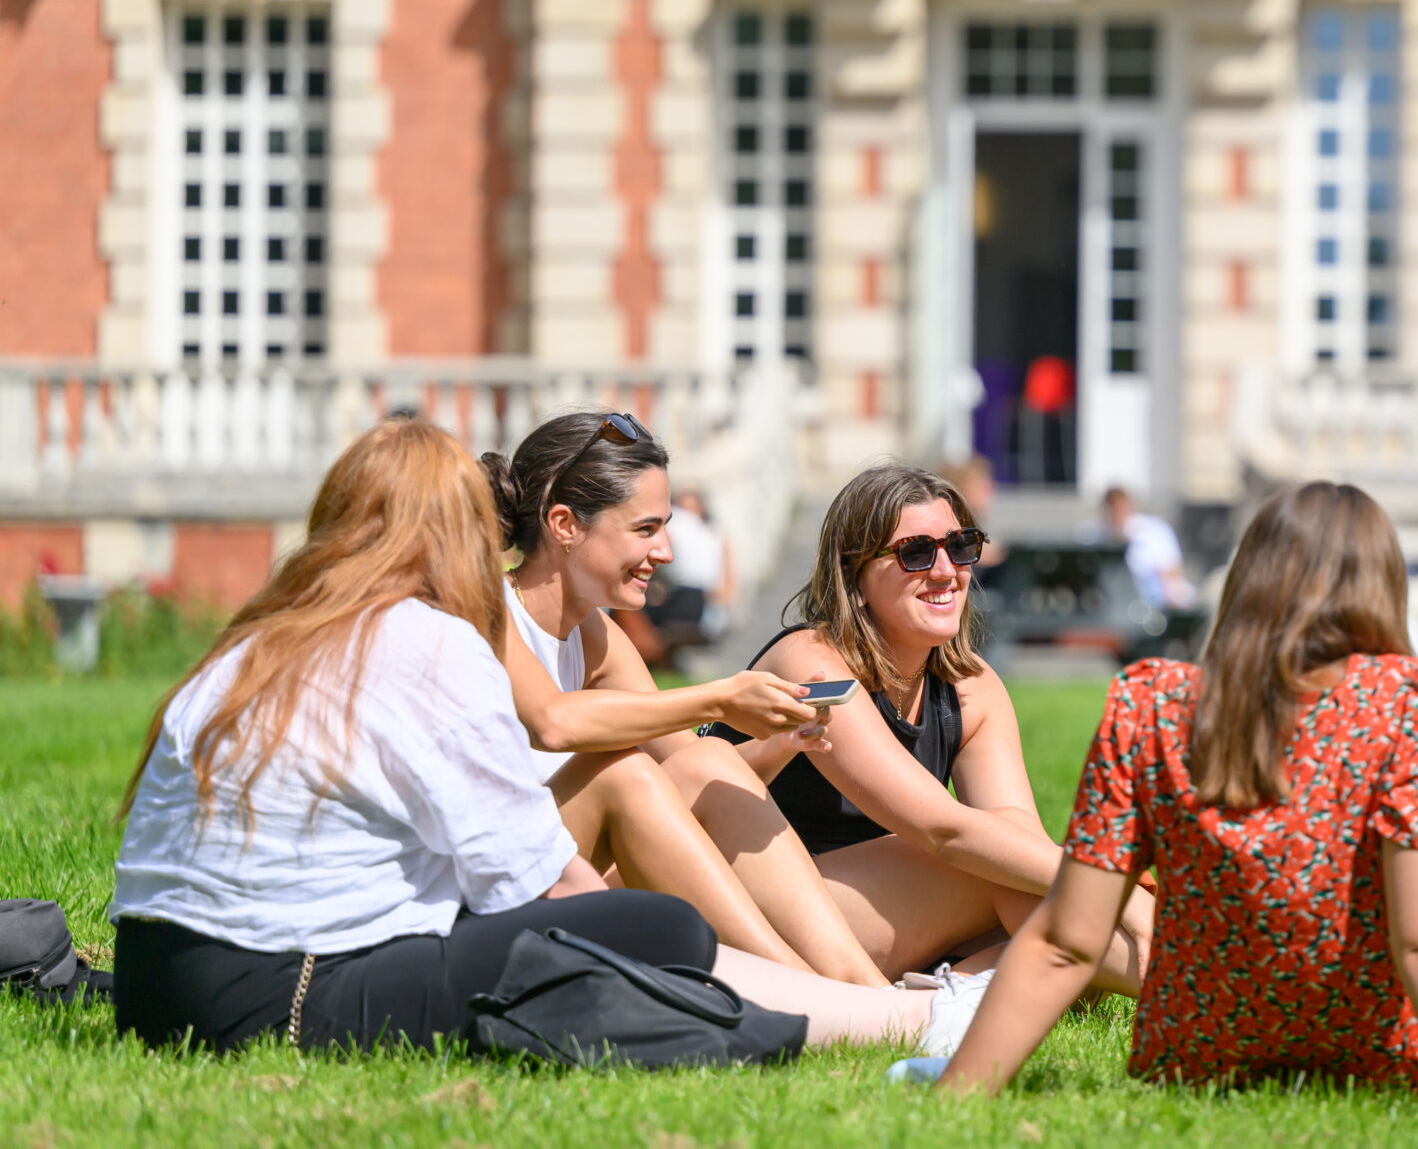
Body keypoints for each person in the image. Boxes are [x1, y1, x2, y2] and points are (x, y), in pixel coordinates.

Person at [109, 419, 957, 1055]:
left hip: (154, 988)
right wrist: (627, 934)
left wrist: (757, 734)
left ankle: (861, 1002)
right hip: (278, 995)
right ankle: (880, 1016)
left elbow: (676, 764)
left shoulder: (261, 636)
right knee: (654, 932)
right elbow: (532, 881)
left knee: (641, 900)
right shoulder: (430, 636)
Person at [932, 481, 1418, 1119]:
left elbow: (1066, 940)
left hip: (1200, 1054)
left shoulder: (1151, 704)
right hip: (1374, 1055)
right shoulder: (1412, 701)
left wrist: (955, 1096)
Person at [711, 463, 1156, 991]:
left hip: (875, 913)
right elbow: (944, 830)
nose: (946, 571)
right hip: (751, 911)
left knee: (1020, 878)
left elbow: (1016, 830)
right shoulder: (812, 663)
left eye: (961, 546)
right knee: (987, 871)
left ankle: (1210, 975)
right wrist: (1113, 888)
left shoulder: (971, 685)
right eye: (915, 553)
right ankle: (1210, 979)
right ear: (854, 571)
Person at [484, 413, 890, 986]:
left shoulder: (596, 635)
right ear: (564, 525)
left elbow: (694, 773)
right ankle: (809, 992)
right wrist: (719, 700)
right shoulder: (486, 607)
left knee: (704, 759)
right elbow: (553, 723)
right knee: (620, 771)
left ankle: (859, 985)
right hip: (486, 898)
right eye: (646, 529)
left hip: (558, 876)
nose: (667, 551)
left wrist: (781, 744)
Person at [643, 486, 737, 654]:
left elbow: (727, 585)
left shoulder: (709, 532)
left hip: (697, 601)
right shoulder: (711, 532)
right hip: (688, 599)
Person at [1105, 485, 1194, 611]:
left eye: (1121, 507)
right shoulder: (1095, 534)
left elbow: (1173, 569)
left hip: (1153, 596)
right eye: (1114, 509)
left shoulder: (1154, 530)